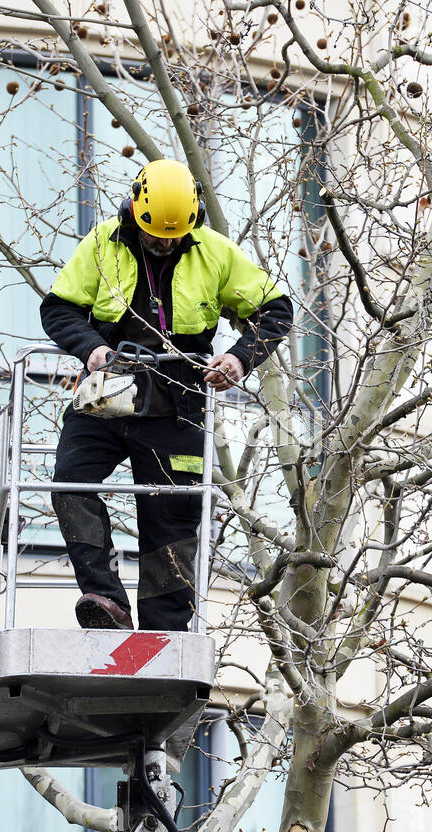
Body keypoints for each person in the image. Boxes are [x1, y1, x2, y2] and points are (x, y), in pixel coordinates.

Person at [40, 159, 294, 632]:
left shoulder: (215, 252)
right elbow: (58, 310)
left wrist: (240, 358)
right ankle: (105, 599)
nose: (165, 243)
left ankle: (166, 633)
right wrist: (91, 348)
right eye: (157, 234)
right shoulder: (102, 244)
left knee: (172, 520)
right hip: (106, 396)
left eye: (175, 235)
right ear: (135, 211)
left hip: (179, 403)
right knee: (71, 483)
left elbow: (275, 308)